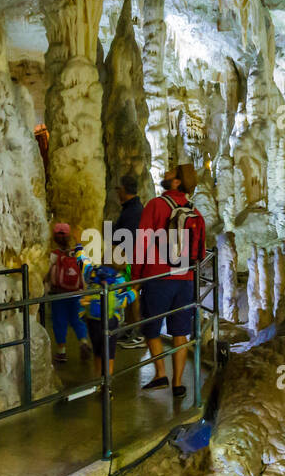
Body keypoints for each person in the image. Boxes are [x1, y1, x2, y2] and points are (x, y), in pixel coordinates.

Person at [132, 164, 206, 399]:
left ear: (176, 183)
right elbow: (201, 252)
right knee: (180, 332)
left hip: (158, 278)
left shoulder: (156, 205)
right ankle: (178, 384)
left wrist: (136, 277)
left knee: (151, 327)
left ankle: (161, 374)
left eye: (170, 174)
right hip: (185, 279)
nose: (165, 174)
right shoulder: (195, 212)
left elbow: (142, 241)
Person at [78, 257, 136, 377]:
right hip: (110, 320)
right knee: (109, 353)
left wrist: (79, 250)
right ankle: (107, 384)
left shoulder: (92, 272)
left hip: (92, 319)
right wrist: (134, 293)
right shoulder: (119, 279)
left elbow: (83, 262)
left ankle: (99, 379)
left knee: (97, 350)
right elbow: (122, 301)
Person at [47, 223, 90, 364]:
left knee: (60, 322)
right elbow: (84, 269)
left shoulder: (54, 255)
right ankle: (83, 341)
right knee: (77, 319)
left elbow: (46, 274)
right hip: (76, 293)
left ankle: (61, 352)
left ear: (54, 238)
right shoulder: (75, 253)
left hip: (58, 294)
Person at [114, 175, 145, 349]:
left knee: (133, 295)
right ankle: (130, 328)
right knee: (129, 293)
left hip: (132, 260)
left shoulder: (133, 211)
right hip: (131, 259)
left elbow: (129, 239)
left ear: (124, 190)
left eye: (119, 189)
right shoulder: (131, 208)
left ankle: (137, 333)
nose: (117, 192)